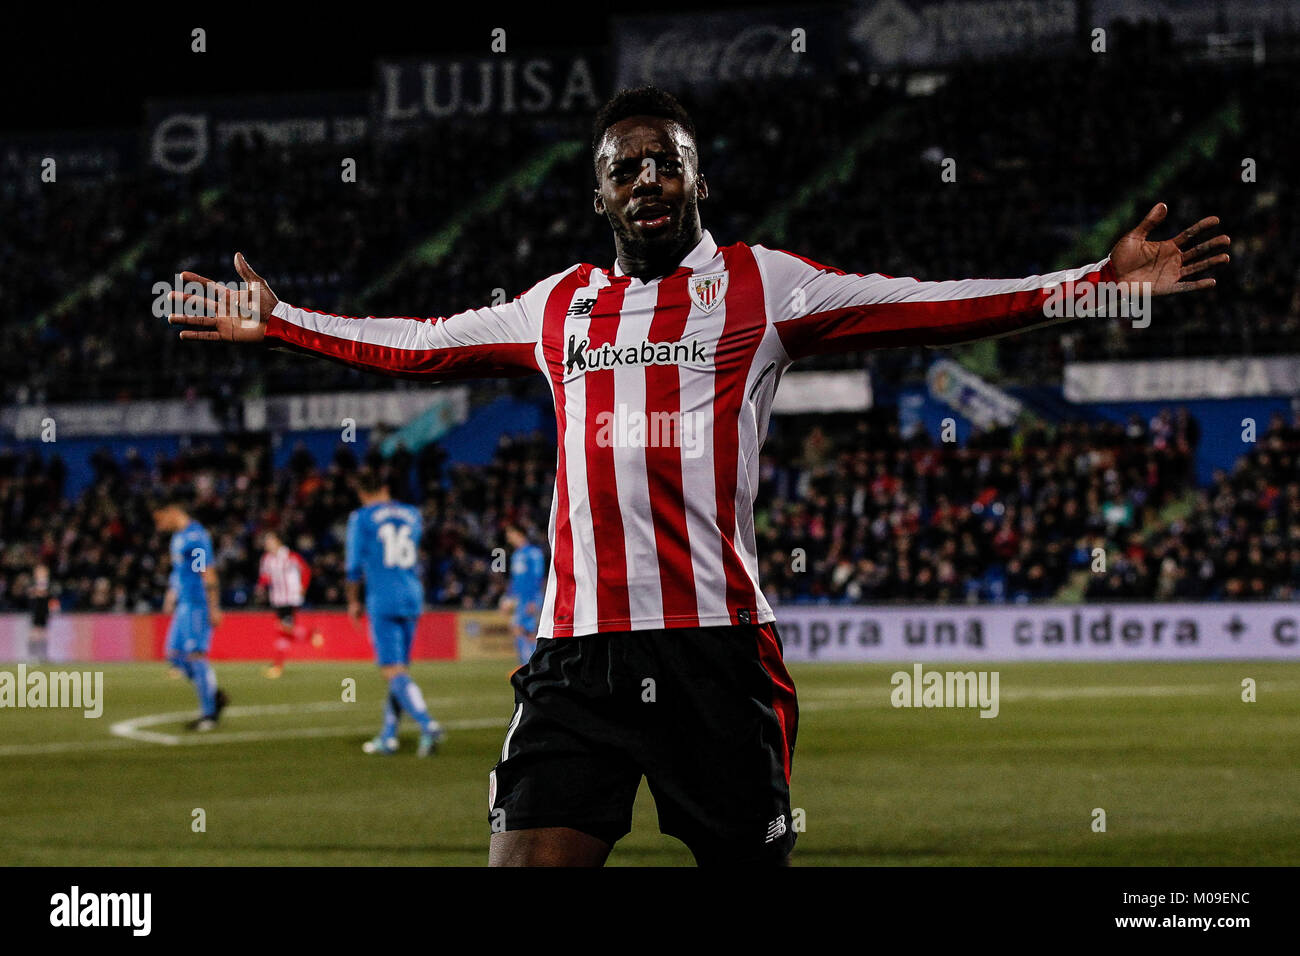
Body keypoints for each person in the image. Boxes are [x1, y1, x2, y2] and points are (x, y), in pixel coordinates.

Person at [166, 86, 1230, 865]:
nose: (647, 178)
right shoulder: (555, 307)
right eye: (625, 166)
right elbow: (417, 342)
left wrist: (1096, 282)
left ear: (698, 179)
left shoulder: (764, 287)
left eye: (665, 160)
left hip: (717, 653)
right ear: (598, 193)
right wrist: (284, 322)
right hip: (578, 654)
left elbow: (932, 302)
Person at [344, 469, 443, 757]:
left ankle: (428, 724)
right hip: (412, 594)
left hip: (383, 597)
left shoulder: (360, 518)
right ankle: (389, 736)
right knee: (399, 670)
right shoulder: (413, 514)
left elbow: (352, 567)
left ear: (363, 493)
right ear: (386, 487)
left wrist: (353, 602)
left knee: (392, 670)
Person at [152, 492, 227, 731]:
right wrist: (171, 594)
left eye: (160, 518)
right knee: (174, 655)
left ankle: (209, 715)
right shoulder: (178, 539)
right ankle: (213, 695)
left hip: (197, 604)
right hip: (184, 604)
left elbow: (206, 572)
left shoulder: (195, 537)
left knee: (196, 656)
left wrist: (213, 607)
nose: (159, 524)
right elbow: (180, 572)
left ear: (173, 510)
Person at [257, 529, 324, 679]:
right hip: (277, 598)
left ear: (278, 541)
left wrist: (303, 587)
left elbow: (305, 570)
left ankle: (277, 666)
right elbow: (265, 576)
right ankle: (310, 634)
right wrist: (261, 586)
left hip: (290, 598)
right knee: (284, 631)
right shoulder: (266, 559)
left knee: (282, 629)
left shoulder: (290, 556)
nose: (267, 543)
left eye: (269, 540)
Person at [501, 525, 546, 667]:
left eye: (510, 533)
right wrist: (508, 598)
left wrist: (533, 601)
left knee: (529, 632)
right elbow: (515, 581)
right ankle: (527, 666)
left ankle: (532, 666)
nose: (508, 538)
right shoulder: (516, 555)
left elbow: (537, 578)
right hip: (520, 600)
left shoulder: (534, 553)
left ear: (519, 533)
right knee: (519, 629)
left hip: (531, 598)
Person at [28, 563, 54, 662]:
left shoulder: (48, 583)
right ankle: (32, 656)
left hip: (44, 610)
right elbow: (32, 595)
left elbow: (48, 595)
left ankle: (43, 656)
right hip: (37, 610)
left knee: (44, 633)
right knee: (35, 633)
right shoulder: (34, 583)